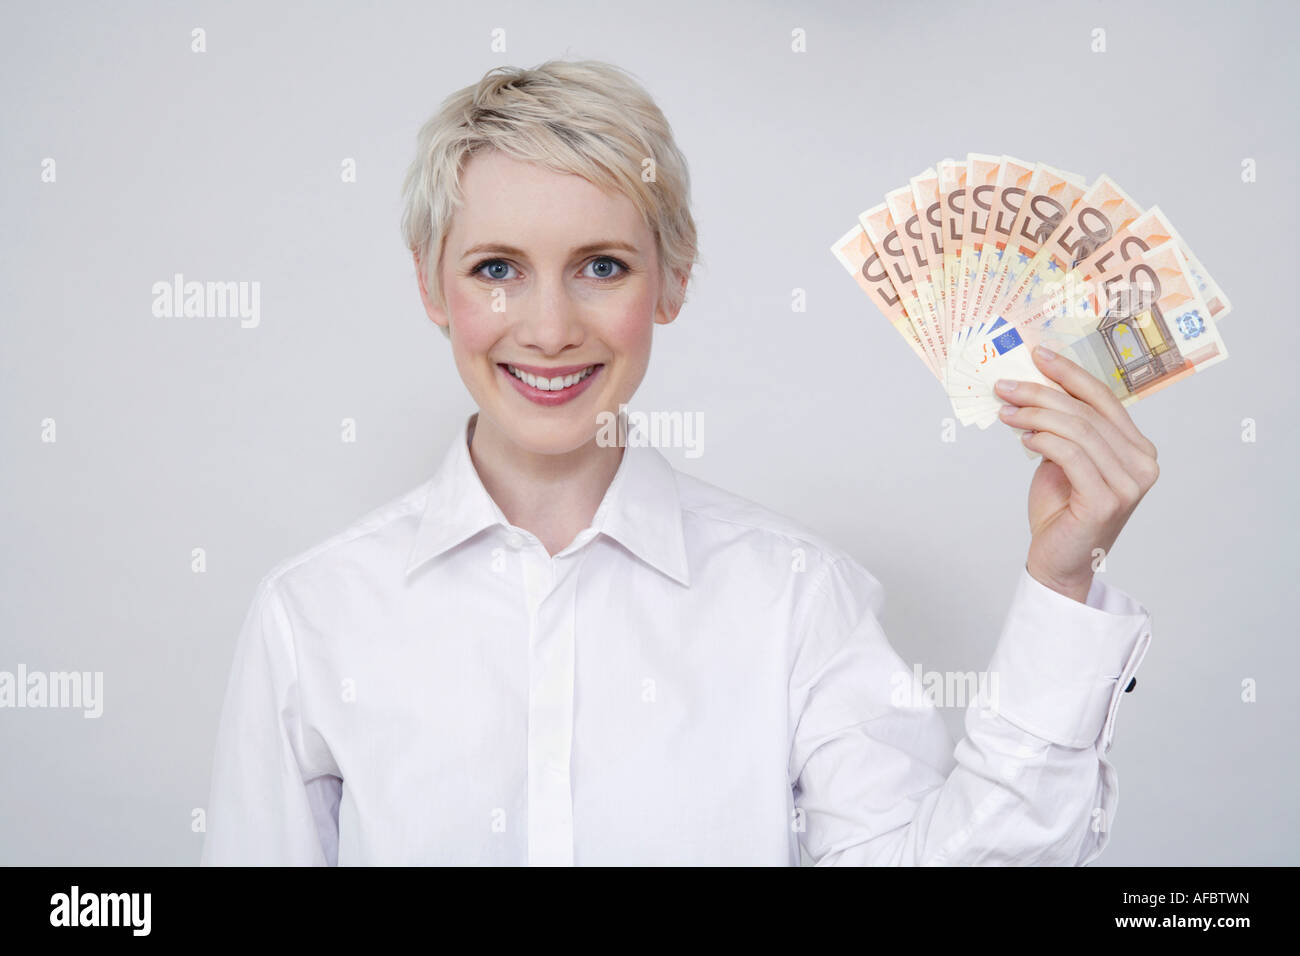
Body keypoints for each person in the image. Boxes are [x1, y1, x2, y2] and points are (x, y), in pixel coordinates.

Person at [200, 58, 1157, 866]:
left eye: (601, 266)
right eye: (496, 268)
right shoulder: (311, 616)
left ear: (674, 281)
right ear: (430, 286)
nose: (548, 328)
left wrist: (1061, 581)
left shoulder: (795, 602)